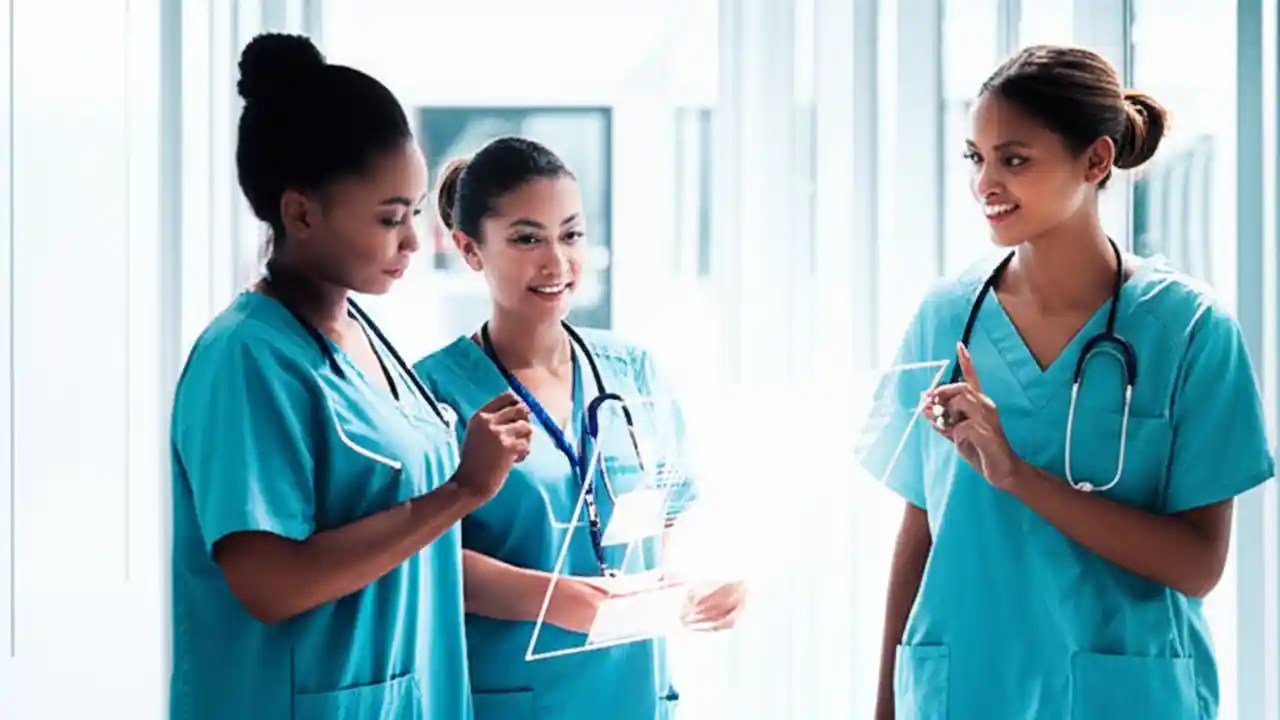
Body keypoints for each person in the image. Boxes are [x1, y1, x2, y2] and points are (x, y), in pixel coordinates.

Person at [865, 45, 1275, 719]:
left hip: (1119, 696)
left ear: (1096, 160)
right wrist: (882, 707)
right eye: (976, 157)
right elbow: (920, 527)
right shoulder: (947, 317)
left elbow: (1199, 563)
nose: (985, 183)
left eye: (1014, 159)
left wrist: (1018, 475)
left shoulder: (1190, 331)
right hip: (962, 688)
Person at [169, 34, 533, 720]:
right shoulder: (245, 358)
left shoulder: (363, 333)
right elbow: (269, 584)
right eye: (390, 218)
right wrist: (462, 489)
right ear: (301, 212)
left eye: (417, 212)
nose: (413, 243)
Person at [414, 136, 746, 720]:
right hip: (514, 696)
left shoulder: (632, 370)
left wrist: (704, 578)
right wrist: (560, 600)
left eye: (570, 235)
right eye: (526, 239)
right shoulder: (434, 392)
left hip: (635, 692)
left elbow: (677, 507)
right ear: (469, 249)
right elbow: (421, 556)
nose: (556, 263)